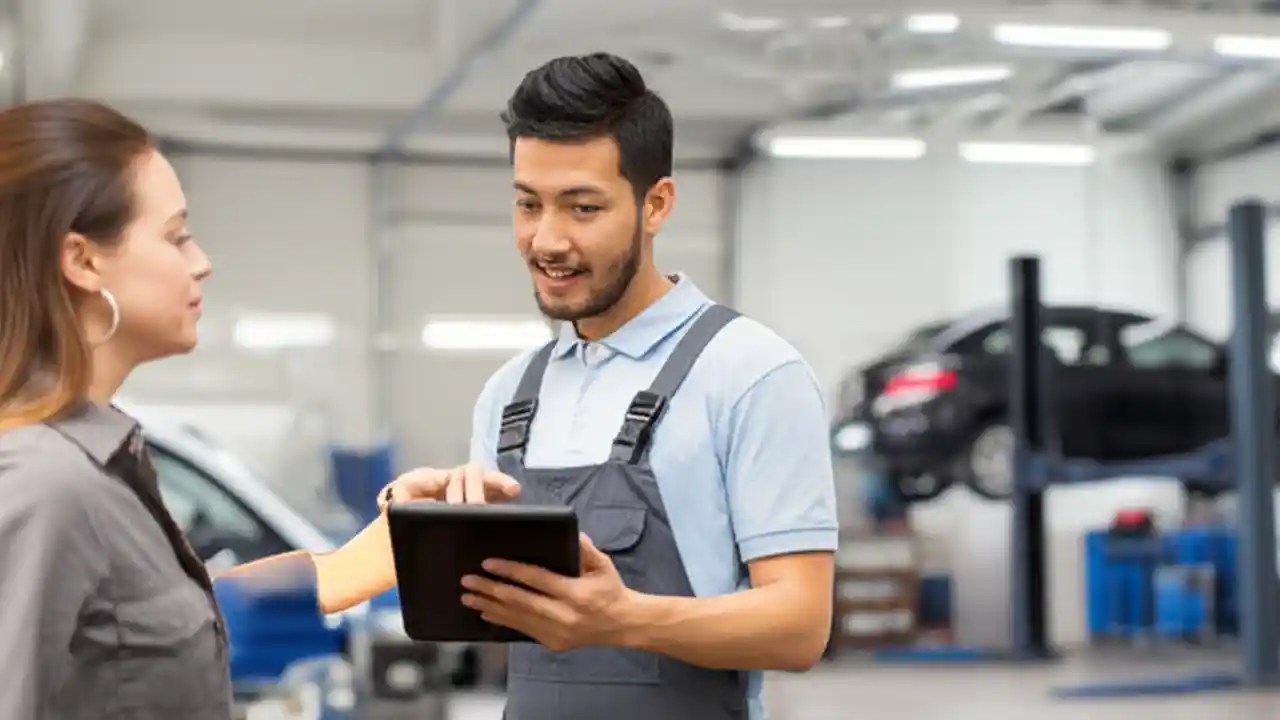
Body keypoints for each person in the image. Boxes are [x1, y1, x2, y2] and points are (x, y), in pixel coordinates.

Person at [0, 99, 514, 719]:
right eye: (176, 236)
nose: (201, 261)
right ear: (82, 260)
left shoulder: (100, 467)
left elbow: (145, 625)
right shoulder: (44, 482)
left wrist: (384, 550)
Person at [381, 52, 839, 720]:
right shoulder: (509, 395)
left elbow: (800, 624)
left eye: (583, 208)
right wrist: (421, 524)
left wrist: (624, 620)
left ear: (656, 204)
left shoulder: (752, 375)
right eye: (528, 204)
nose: (548, 239)